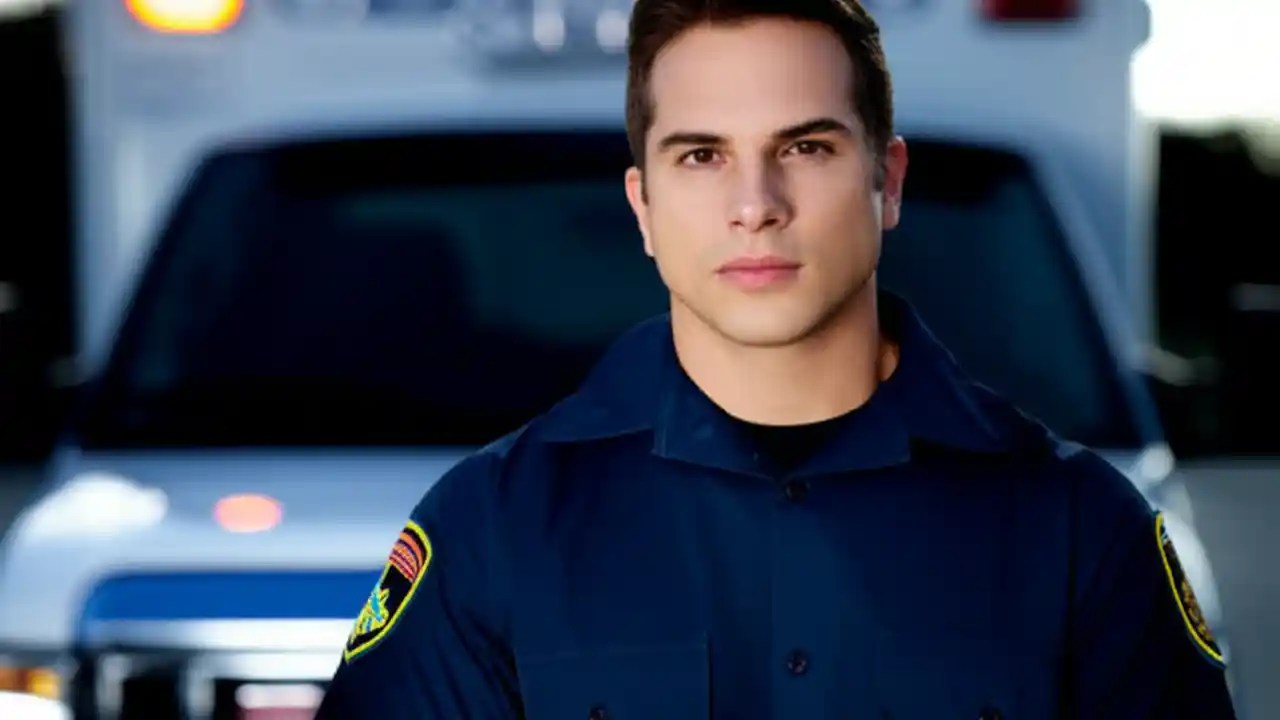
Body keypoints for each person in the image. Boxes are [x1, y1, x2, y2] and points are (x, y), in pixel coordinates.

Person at [315, 0, 1239, 717]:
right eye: (701, 156)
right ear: (641, 206)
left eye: (804, 146)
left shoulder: (1083, 533)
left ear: (887, 182)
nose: (755, 203)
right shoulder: (492, 532)